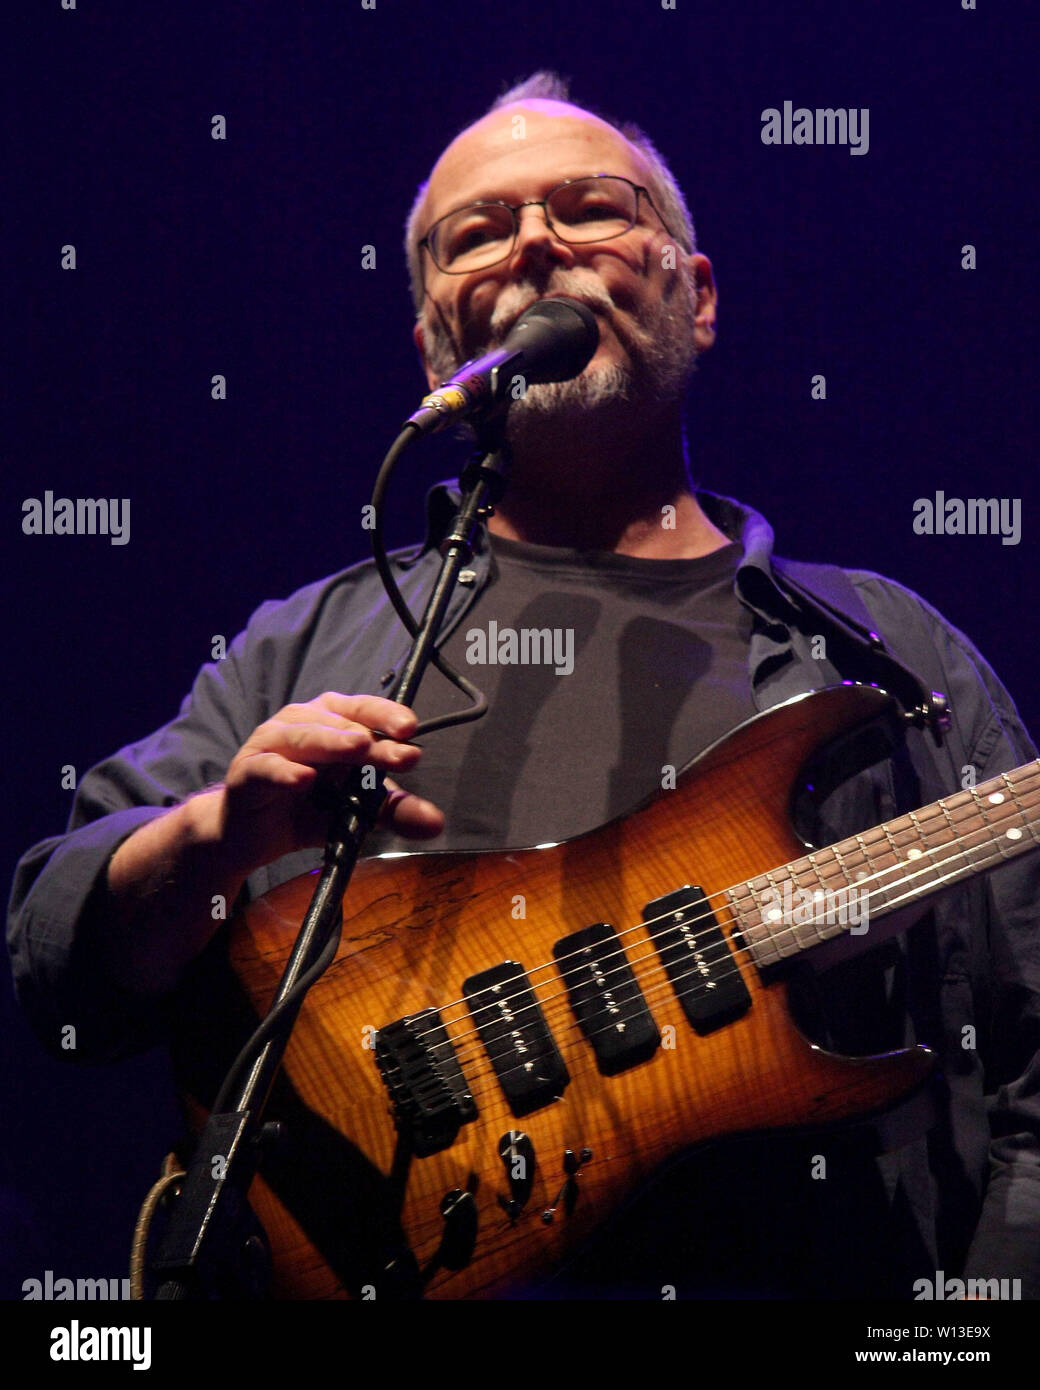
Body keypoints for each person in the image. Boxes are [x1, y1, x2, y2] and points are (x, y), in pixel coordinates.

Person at [8, 73, 1040, 1301]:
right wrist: (215, 832)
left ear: (696, 296)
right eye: (476, 234)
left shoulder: (891, 655)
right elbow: (55, 951)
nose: (536, 243)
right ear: (436, 343)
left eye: (590, 207)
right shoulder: (307, 645)